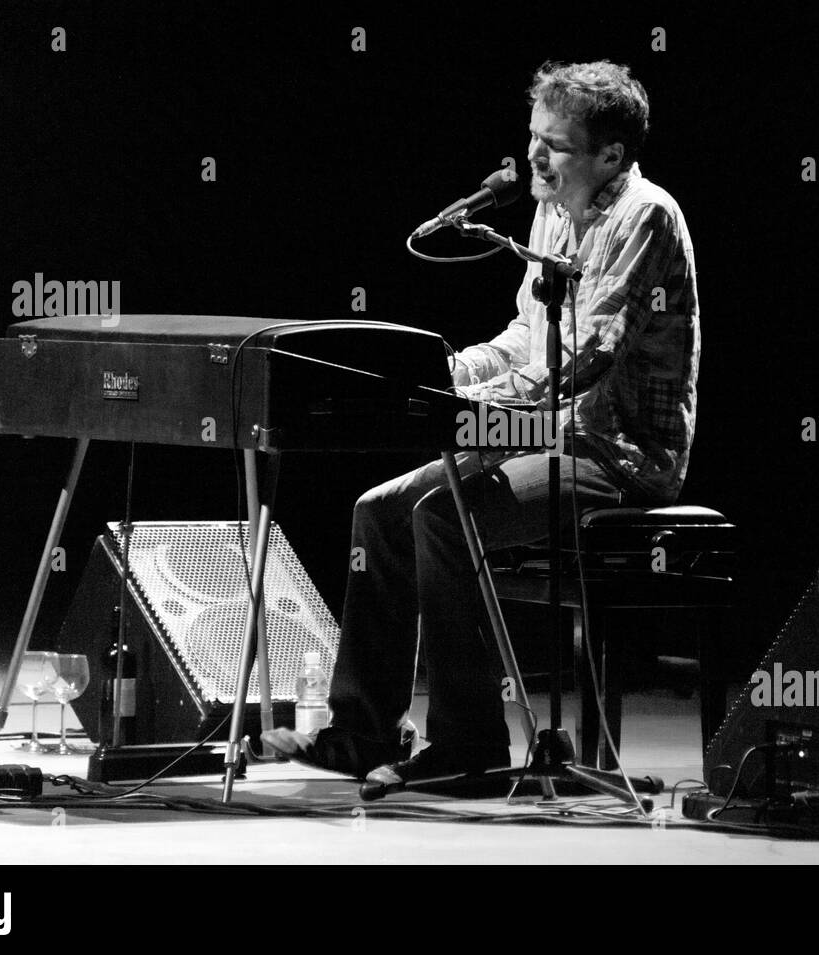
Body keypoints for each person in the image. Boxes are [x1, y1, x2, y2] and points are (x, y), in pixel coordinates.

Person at [263, 60, 700, 785]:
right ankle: (364, 732)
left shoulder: (646, 216)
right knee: (380, 511)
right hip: (548, 430)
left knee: (442, 516)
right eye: (532, 136)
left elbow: (584, 354)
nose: (532, 157)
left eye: (553, 145)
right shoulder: (553, 208)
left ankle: (469, 746)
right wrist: (442, 376)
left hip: (620, 450)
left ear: (610, 154)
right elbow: (527, 336)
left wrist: (475, 414)